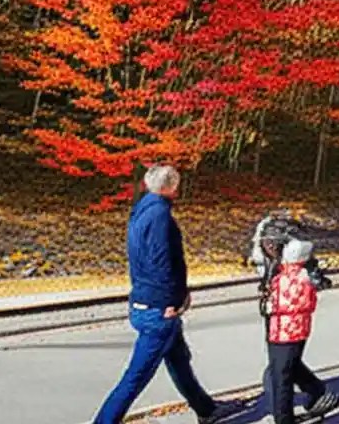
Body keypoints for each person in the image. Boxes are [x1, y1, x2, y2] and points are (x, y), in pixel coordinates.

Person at [94, 165, 239, 424]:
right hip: (157, 309)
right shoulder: (160, 214)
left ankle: (206, 410)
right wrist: (172, 302)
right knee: (135, 377)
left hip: (143, 299)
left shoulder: (141, 211)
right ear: (170, 187)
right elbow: (162, 261)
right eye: (177, 185)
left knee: (179, 360)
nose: (179, 190)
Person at [264, 238, 339, 424]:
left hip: (291, 330)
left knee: (280, 375)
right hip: (278, 328)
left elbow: (317, 284)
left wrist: (316, 272)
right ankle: (317, 391)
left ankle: (284, 420)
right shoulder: (278, 268)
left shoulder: (304, 273)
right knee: (286, 369)